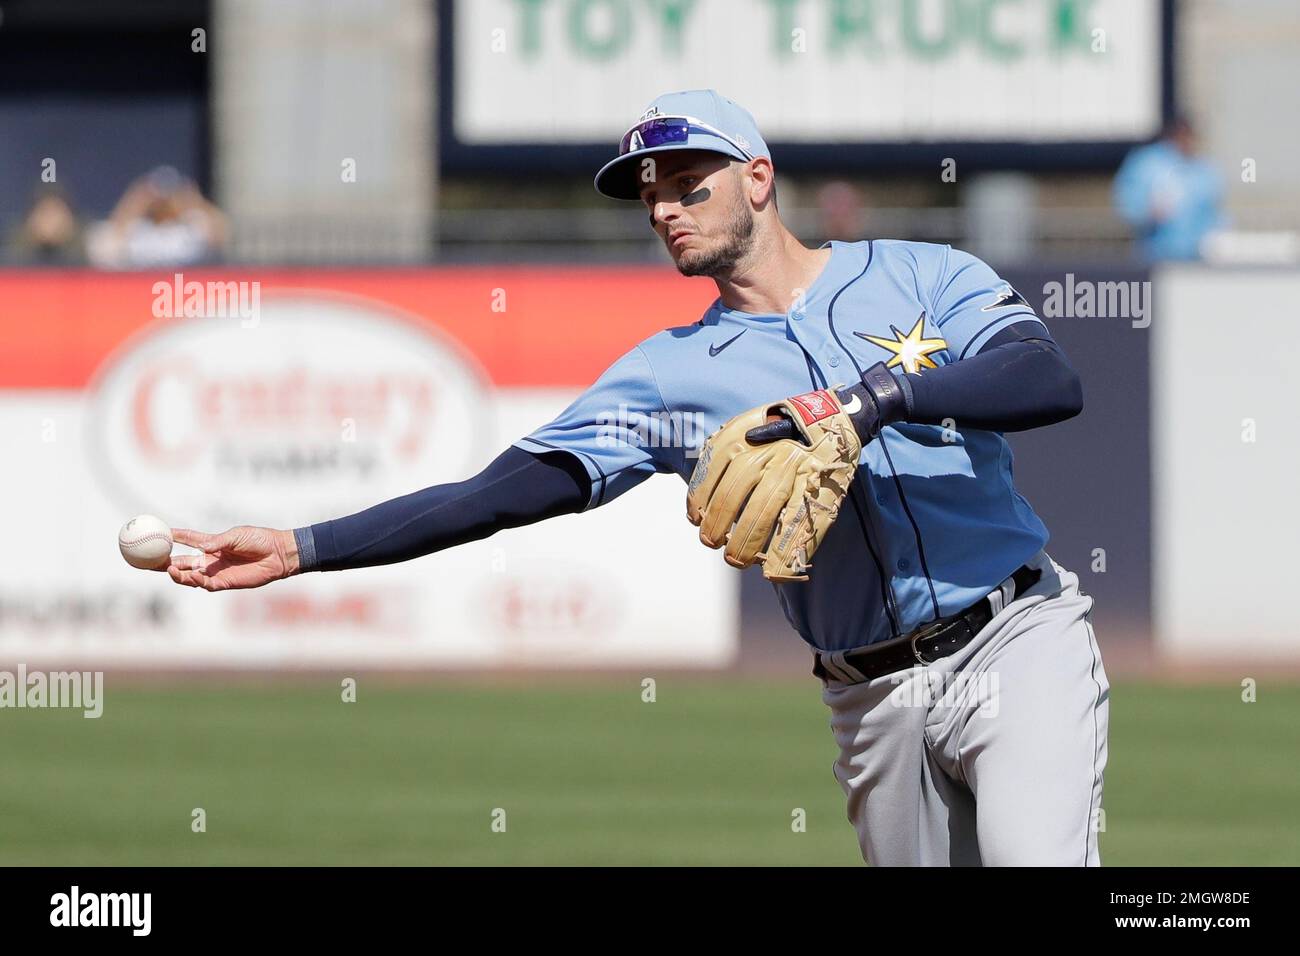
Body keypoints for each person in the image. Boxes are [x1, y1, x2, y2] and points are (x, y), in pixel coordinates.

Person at [163, 90, 1109, 867]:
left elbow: (1046, 379)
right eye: (651, 194)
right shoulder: (669, 374)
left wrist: (872, 401)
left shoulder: (921, 275)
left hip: (1013, 636)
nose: (664, 209)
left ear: (758, 179)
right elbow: (501, 493)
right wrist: (302, 546)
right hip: (870, 698)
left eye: (689, 186)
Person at [1113, 116, 1225, 261]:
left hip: (1194, 259)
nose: (1187, 142)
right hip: (1154, 256)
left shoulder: (1205, 170)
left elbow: (1214, 215)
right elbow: (1126, 204)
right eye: (1182, 136)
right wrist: (1149, 213)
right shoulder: (1147, 163)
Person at [86, 166, 227, 268]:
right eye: (158, 198)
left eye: (170, 197)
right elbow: (106, 246)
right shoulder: (137, 229)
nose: (164, 203)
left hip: (179, 292)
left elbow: (223, 233)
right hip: (137, 293)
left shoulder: (191, 228)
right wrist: (137, 199)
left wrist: (193, 201)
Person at [4, 186, 86, 265]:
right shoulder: (14, 255)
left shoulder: (86, 251)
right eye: (44, 212)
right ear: (31, 217)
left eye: (55, 212)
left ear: (69, 217)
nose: (49, 220)